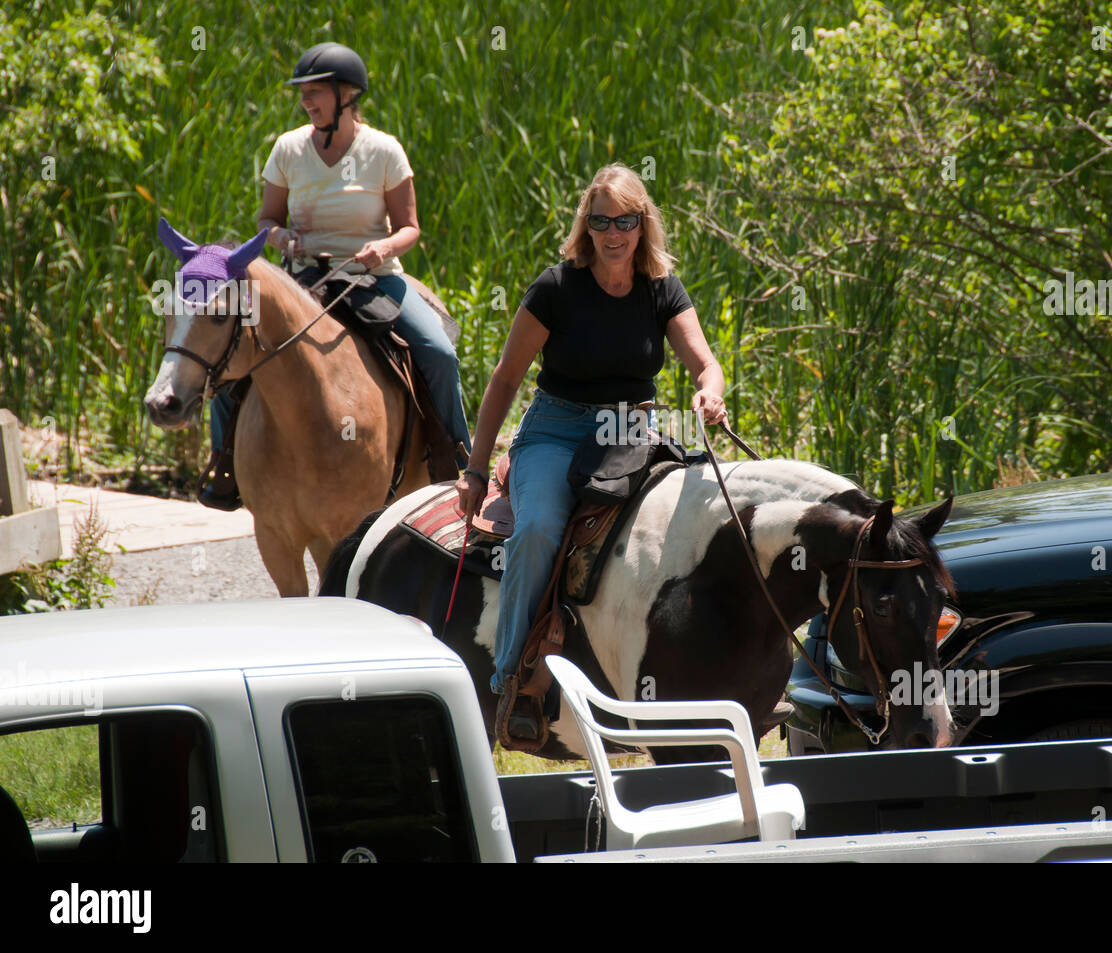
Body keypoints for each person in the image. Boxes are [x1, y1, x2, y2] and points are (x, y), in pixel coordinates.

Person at [456, 163, 728, 738]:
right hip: (557, 429)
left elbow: (705, 363)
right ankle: (508, 683)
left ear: (641, 224)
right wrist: (475, 469)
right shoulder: (556, 288)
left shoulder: (661, 289)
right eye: (601, 220)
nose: (613, 233)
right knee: (537, 531)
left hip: (633, 429)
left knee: (704, 514)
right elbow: (505, 379)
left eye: (625, 221)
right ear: (587, 225)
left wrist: (709, 393)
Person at [201, 42, 472, 509]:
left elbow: (410, 228)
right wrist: (281, 238)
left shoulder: (384, 150)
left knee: (438, 351)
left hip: (375, 277)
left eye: (316, 90)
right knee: (229, 360)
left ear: (347, 94)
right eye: (302, 92)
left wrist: (382, 247)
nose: (307, 100)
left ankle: (458, 456)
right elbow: (266, 221)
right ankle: (224, 466)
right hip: (302, 279)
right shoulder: (288, 148)